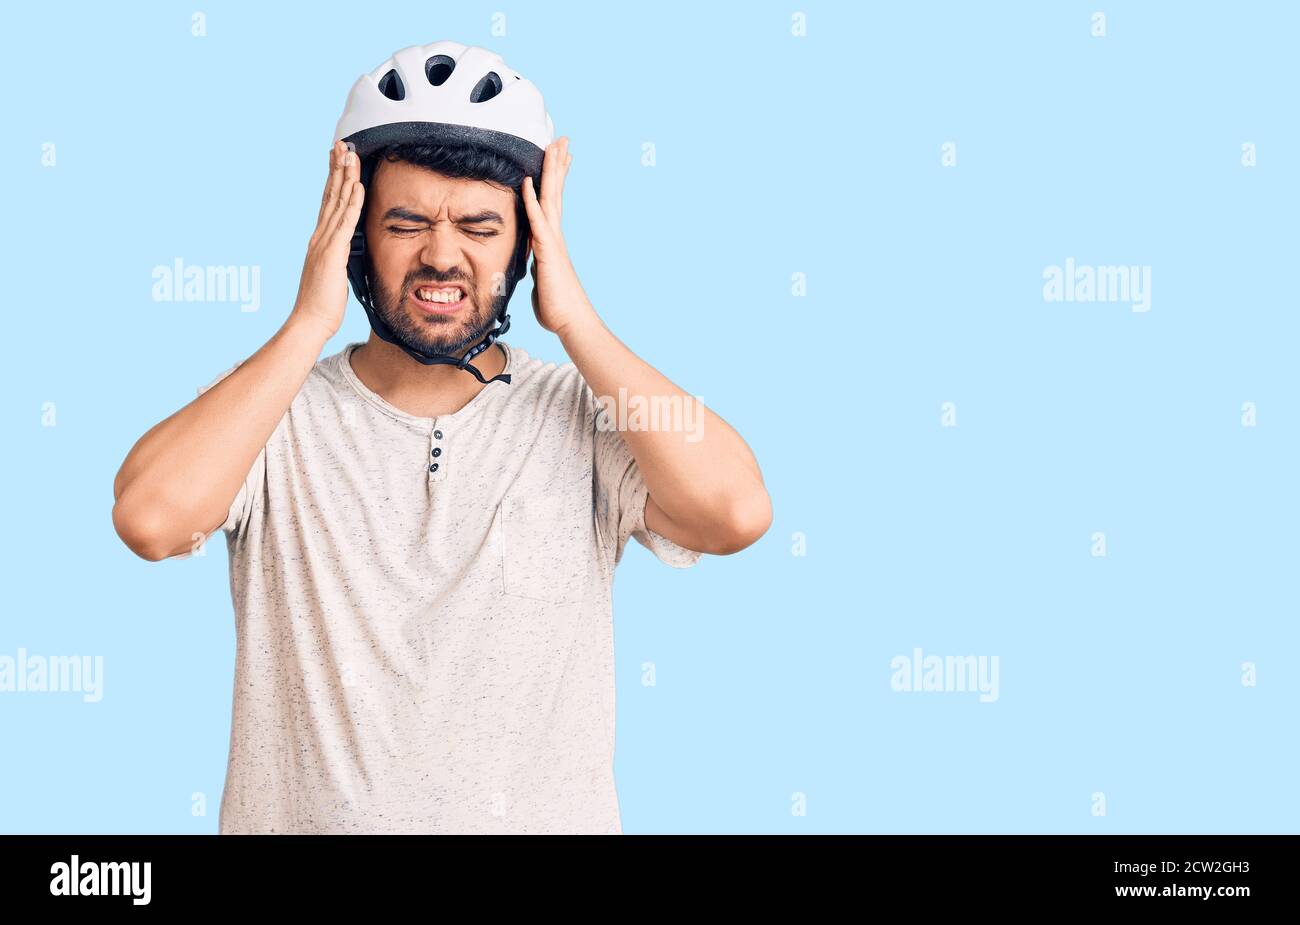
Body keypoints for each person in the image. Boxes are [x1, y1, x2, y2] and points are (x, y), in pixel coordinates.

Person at [111, 40, 771, 834]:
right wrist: (307, 322)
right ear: (355, 238)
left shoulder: (587, 414)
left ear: (526, 242)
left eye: (480, 226)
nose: (442, 255)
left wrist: (576, 321)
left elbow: (734, 511)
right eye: (406, 222)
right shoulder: (274, 415)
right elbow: (149, 518)